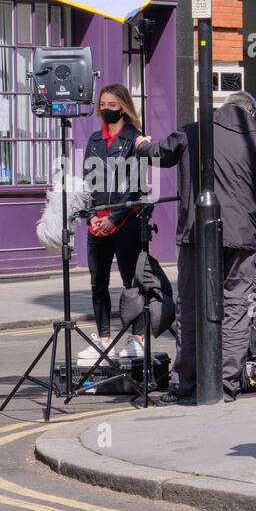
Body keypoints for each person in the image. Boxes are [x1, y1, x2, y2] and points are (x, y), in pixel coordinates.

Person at [135, 91, 256, 403]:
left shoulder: (193, 132)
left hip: (197, 236)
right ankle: (226, 385)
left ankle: (186, 383)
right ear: (252, 113)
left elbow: (158, 155)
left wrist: (139, 146)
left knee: (190, 306)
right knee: (235, 309)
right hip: (243, 241)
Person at [79, 84, 148, 364]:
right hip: (97, 222)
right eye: (103, 104)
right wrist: (92, 217)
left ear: (124, 107)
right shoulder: (94, 140)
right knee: (98, 283)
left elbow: (136, 187)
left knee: (131, 283)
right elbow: (86, 182)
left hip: (126, 220)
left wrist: (113, 218)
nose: (107, 109)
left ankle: (137, 339)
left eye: (113, 104)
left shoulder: (135, 140)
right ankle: (103, 339)